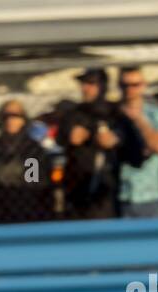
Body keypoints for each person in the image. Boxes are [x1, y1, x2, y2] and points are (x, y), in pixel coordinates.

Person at [57, 67, 144, 220]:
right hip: (75, 193)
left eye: (91, 84)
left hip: (106, 192)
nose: (85, 88)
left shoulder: (115, 114)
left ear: (102, 86)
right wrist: (70, 138)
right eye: (83, 84)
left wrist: (116, 141)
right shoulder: (73, 114)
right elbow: (59, 141)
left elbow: (136, 153)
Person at [0, 101, 52, 224]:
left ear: (23, 120)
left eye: (15, 116)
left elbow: (33, 182)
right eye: (6, 117)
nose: (10, 121)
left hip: (26, 209)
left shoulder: (32, 149)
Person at [116, 66, 158, 218]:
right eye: (124, 85)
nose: (129, 90)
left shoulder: (156, 114)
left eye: (135, 85)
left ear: (143, 85)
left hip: (149, 193)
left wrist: (139, 120)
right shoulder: (114, 113)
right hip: (120, 192)